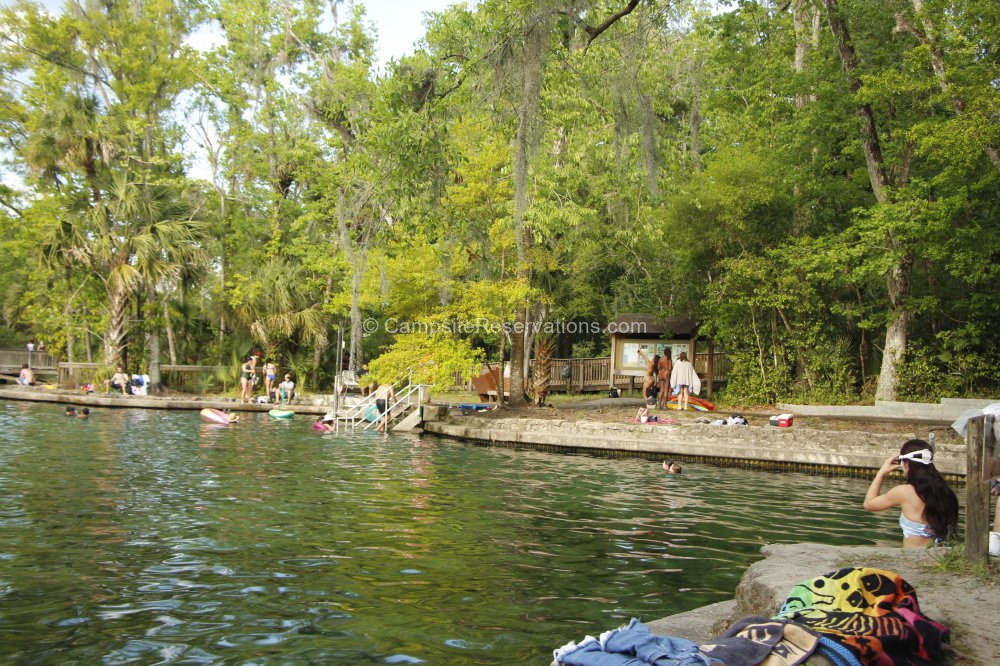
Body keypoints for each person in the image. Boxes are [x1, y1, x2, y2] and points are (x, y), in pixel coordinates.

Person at [863, 439, 958, 547]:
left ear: (907, 464)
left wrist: (881, 473)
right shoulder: (947, 493)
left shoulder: (904, 492)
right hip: (940, 557)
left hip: (913, 561)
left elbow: (869, 504)